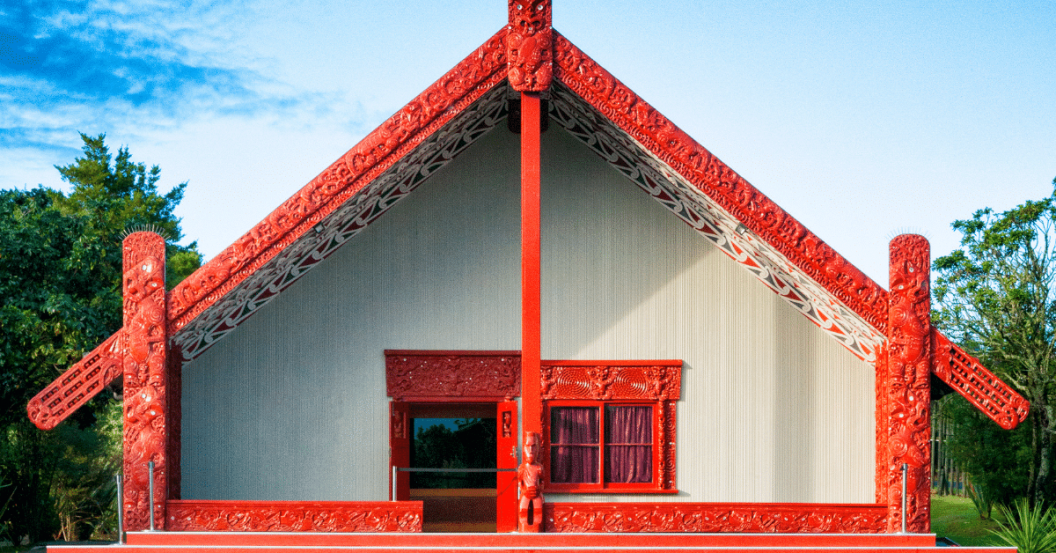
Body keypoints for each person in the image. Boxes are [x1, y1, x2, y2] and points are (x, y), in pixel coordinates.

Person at [517, 431, 544, 532]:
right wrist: (524, 490)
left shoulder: (539, 467)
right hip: (526, 493)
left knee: (538, 507)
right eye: (528, 446)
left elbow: (542, 481)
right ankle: (524, 525)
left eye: (533, 446)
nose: (531, 450)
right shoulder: (522, 468)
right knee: (523, 507)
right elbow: (519, 482)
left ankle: (536, 525)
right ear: (523, 448)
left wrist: (539, 489)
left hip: (536, 493)